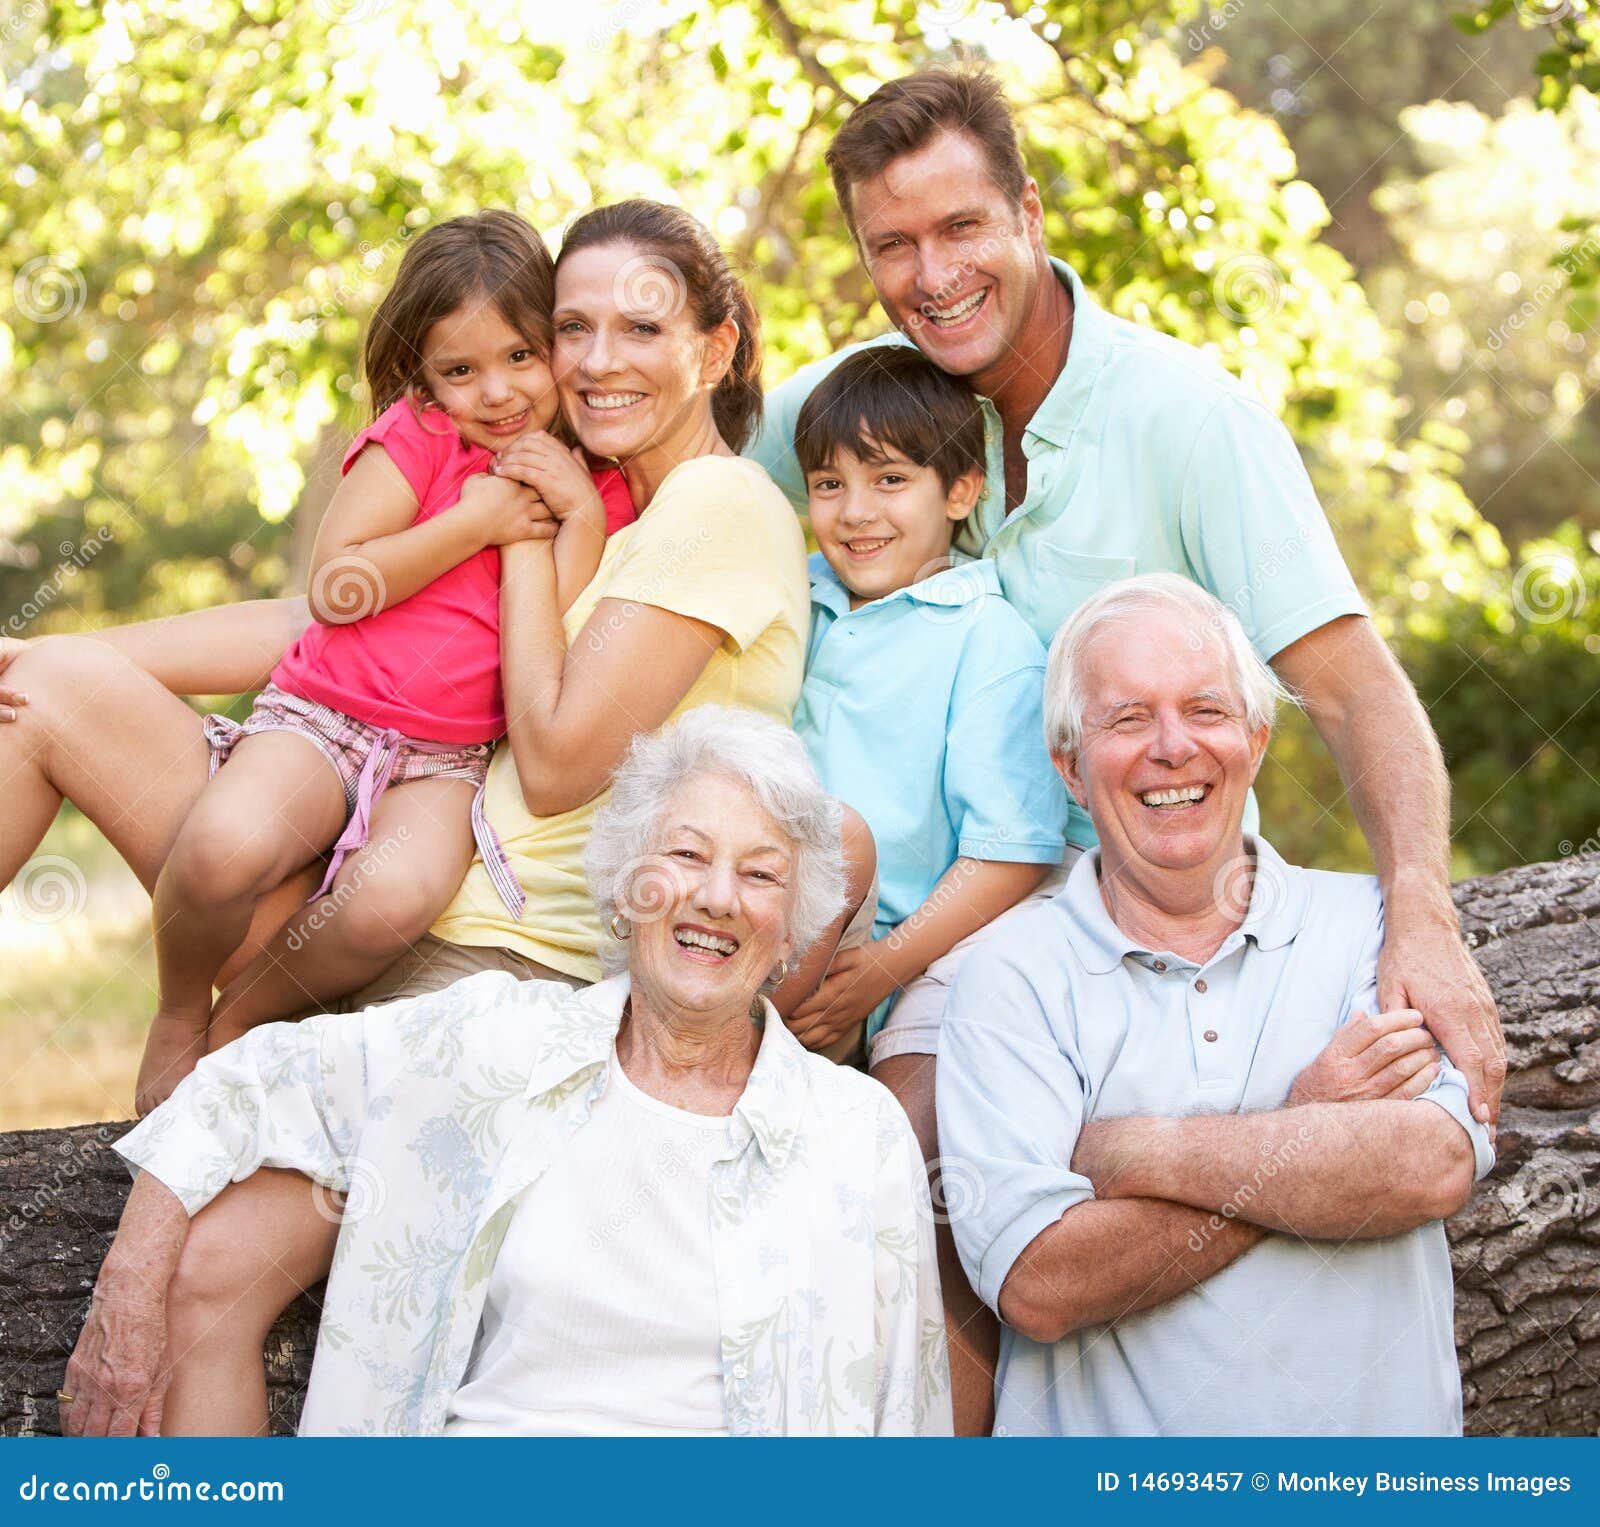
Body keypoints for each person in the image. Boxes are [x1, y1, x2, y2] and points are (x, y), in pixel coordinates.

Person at [744, 64, 1503, 1430]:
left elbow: (1355, 690)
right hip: (906, 916)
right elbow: (678, 477)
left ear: (1030, 213)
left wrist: (1424, 914)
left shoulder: (1186, 419)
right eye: (893, 245)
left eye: (962, 227)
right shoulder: (859, 414)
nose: (933, 275)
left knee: (927, 1174)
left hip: (1131, 933)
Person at [4, 199, 832, 1433]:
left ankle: (226, 1035)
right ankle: (214, 1020)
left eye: (641, 328)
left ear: (716, 348)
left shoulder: (709, 506)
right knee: (45, 687)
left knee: (208, 1279)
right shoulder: (577, 484)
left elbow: (555, 761)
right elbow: (336, 620)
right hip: (372, 888)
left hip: (485, 960)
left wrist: (523, 531)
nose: (596, 360)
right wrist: (84, 650)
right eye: (574, 328)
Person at [61, 706, 952, 1438]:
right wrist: (130, 1283)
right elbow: (245, 1083)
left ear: (792, 929)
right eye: (685, 855)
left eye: (760, 874)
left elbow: (904, 1416)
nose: (717, 897)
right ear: (624, 886)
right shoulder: (495, 1043)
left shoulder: (856, 1135)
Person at [936, 575, 1494, 1436]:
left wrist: (1136, 1151)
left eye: (1206, 710)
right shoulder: (1005, 977)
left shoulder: (1377, 929)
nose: (1172, 747)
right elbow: (1042, 1281)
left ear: (1255, 741)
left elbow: (1428, 1164)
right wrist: (1312, 1122)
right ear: (1070, 767)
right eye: (1128, 718)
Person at [137, 209, 635, 1113]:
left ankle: (241, 1017)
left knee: (394, 901)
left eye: (521, 355)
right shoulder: (421, 439)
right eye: (460, 370)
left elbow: (549, 631)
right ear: (422, 373)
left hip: (448, 760)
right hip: (325, 713)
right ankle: (178, 1009)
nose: (497, 391)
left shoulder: (598, 485)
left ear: (558, 346)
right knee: (219, 849)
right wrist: (473, 523)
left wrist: (585, 516)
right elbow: (336, 586)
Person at [786, 346, 1072, 1068]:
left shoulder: (988, 638)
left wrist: (884, 968)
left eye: (890, 479)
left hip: (862, 949)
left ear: (960, 491)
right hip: (749, 897)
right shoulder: (794, 593)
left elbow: (1010, 851)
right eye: (829, 484)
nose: (856, 512)